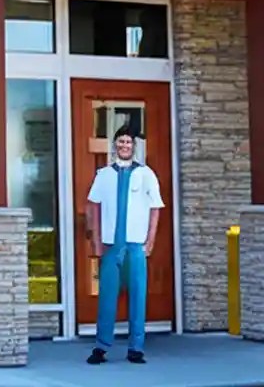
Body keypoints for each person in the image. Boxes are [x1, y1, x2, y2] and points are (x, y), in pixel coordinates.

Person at [85, 125, 164, 365]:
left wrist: (150, 240)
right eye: (121, 142)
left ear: (134, 146)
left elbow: (155, 208)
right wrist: (96, 242)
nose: (124, 146)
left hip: (135, 245)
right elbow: (93, 207)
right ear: (115, 145)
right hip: (111, 246)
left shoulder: (146, 174)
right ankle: (101, 346)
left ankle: (136, 348)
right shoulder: (104, 174)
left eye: (128, 142)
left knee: (138, 296)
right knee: (107, 296)